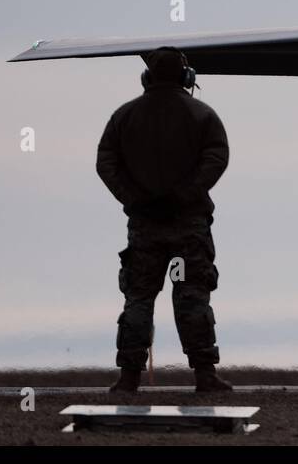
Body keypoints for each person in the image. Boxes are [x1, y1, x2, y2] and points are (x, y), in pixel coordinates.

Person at [95, 47, 232, 393]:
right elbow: (216, 157)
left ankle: (128, 378)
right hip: (189, 225)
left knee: (138, 299)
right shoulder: (202, 115)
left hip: (144, 227)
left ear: (148, 77)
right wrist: (185, 195)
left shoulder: (124, 116)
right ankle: (204, 374)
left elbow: (106, 162)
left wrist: (135, 198)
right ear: (187, 78)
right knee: (193, 298)